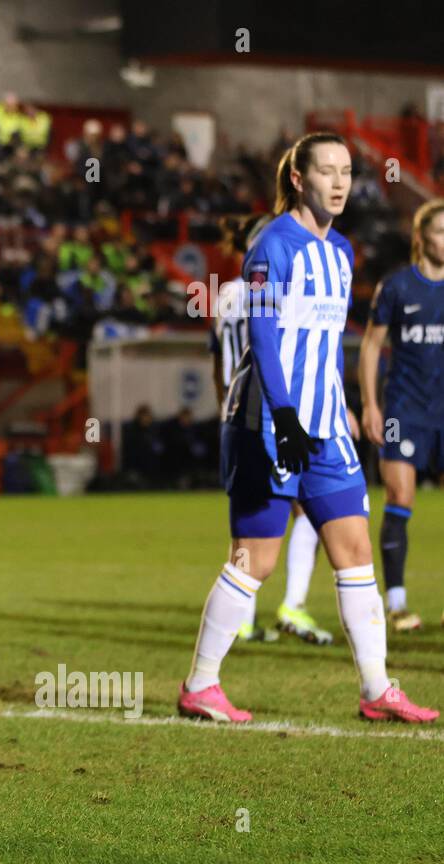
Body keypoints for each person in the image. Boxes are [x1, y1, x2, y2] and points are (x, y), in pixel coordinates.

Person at [180, 132, 437, 724]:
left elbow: (322, 342)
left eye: (348, 171)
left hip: (325, 429)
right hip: (266, 425)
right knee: (255, 561)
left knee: (353, 552)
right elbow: (266, 335)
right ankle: (200, 684)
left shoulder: (343, 250)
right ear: (299, 179)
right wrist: (286, 413)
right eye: (328, 171)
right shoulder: (273, 245)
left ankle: (377, 688)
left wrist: (337, 406)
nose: (341, 182)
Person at [211, 212, 335, 645]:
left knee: (251, 527)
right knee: (293, 515)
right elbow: (269, 344)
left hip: (235, 406)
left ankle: (249, 617)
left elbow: (217, 361)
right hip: (265, 406)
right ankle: (290, 605)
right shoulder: (266, 286)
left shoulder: (225, 294)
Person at [359, 197, 444, 632]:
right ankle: (396, 604)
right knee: (399, 497)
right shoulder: (396, 287)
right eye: (440, 232)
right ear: (420, 237)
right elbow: (371, 347)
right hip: (402, 410)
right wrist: (372, 405)